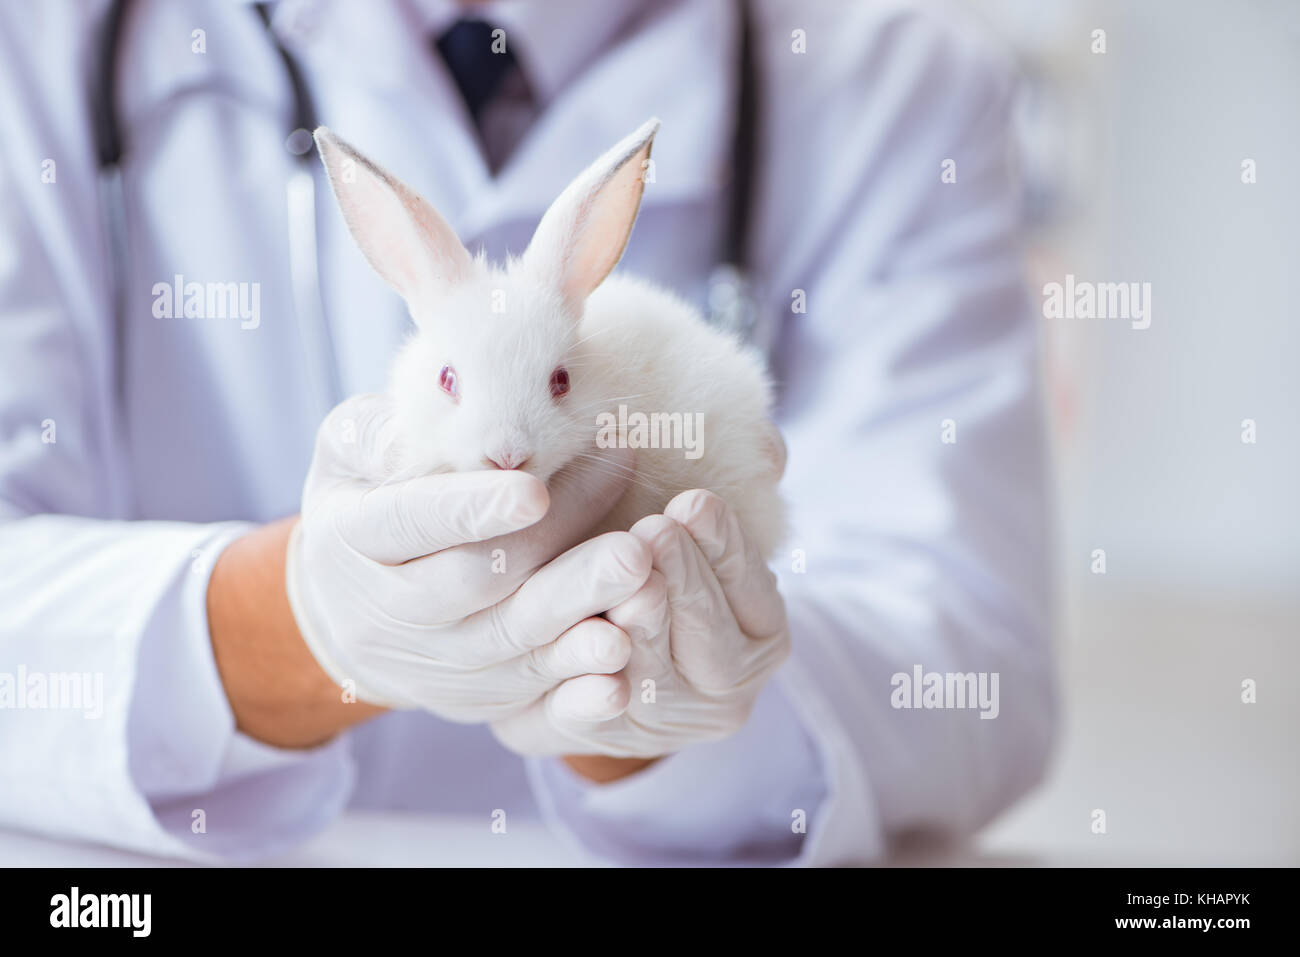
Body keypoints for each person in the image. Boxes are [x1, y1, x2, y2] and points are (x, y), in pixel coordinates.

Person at [0, 0, 1055, 866]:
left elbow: (968, 657)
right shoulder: (44, 43)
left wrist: (653, 704)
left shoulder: (904, 90)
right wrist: (293, 622)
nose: (505, 449)